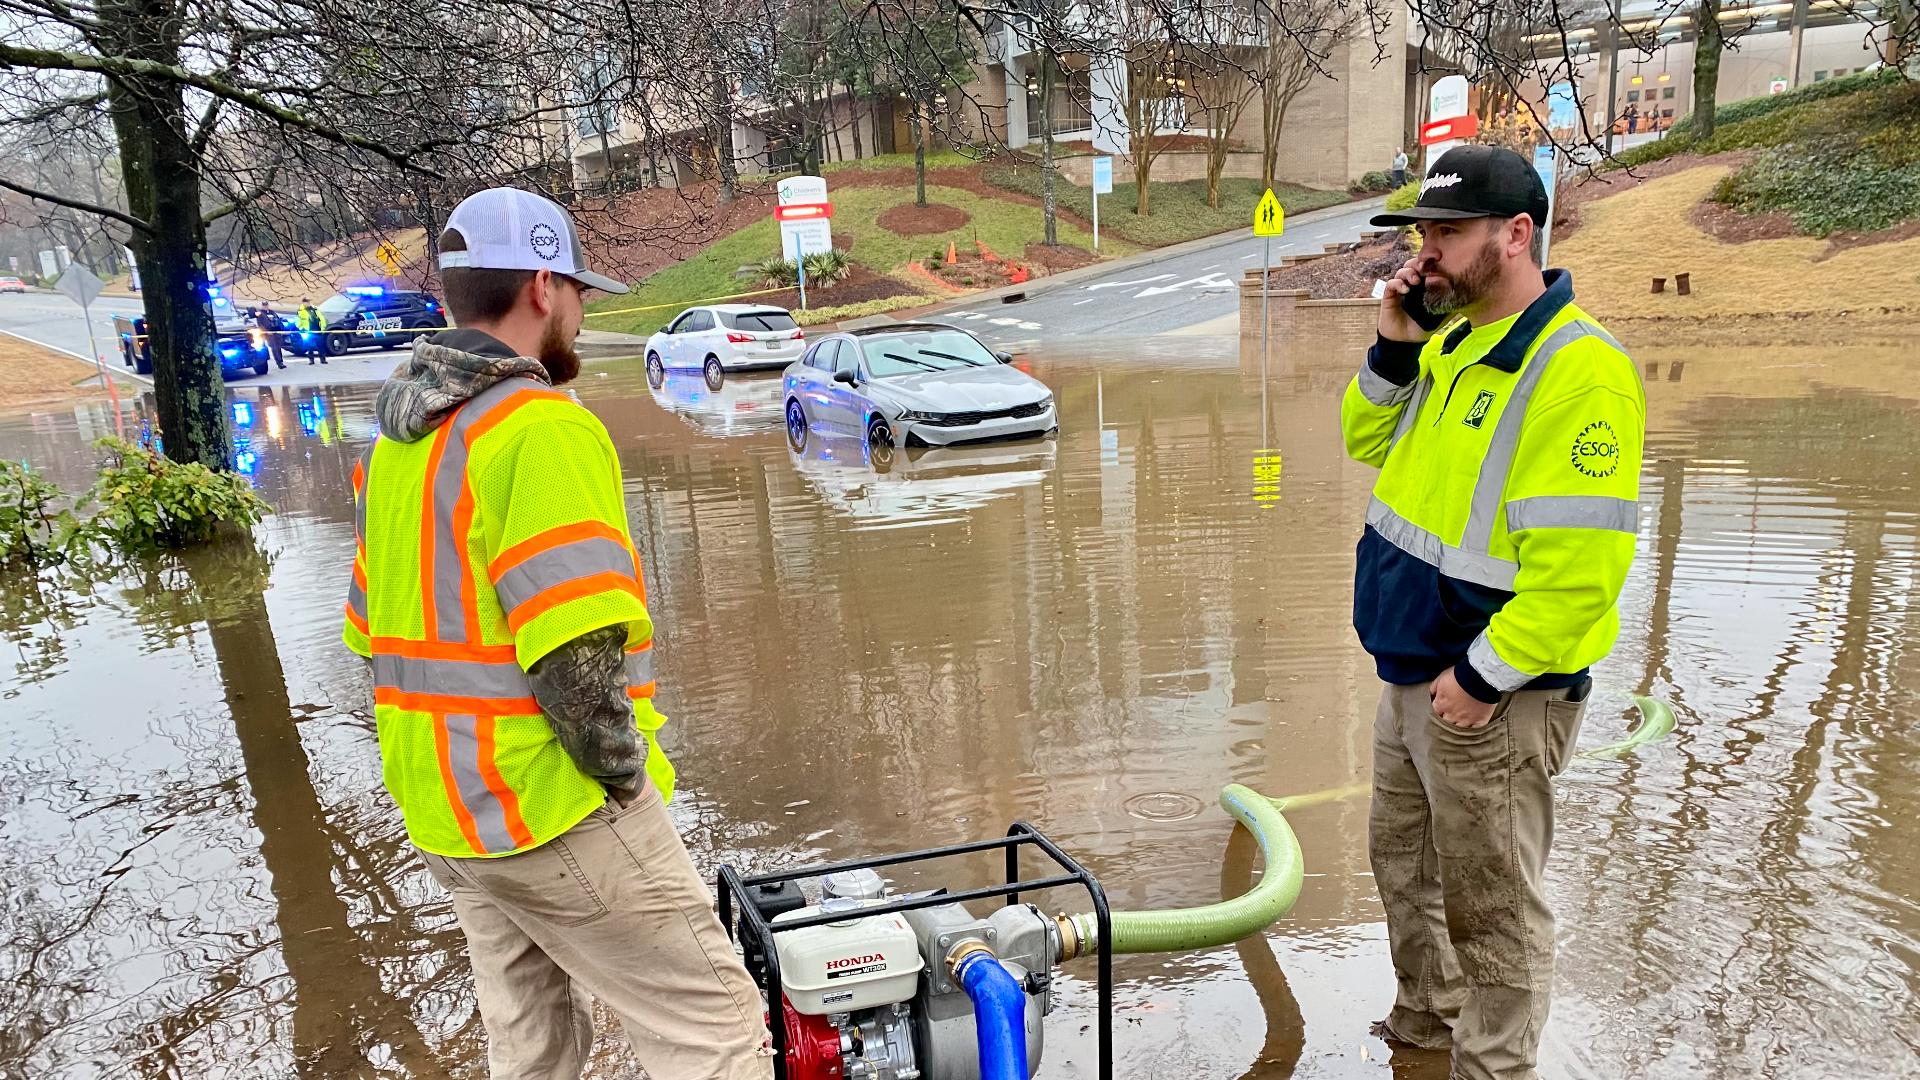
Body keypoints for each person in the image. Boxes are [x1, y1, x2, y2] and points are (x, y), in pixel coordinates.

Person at [343, 187, 771, 1080]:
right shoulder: (538, 429)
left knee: (531, 1044)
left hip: (447, 814)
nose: (579, 311)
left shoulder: (398, 447)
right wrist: (624, 792)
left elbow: (368, 635)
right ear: (542, 288)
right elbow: (575, 666)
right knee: (718, 1023)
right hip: (548, 806)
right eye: (577, 291)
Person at [1342, 145, 1644, 1080]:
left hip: (1492, 696)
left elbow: (1579, 574)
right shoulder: (1453, 341)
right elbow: (1363, 436)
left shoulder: (1578, 373)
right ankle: (1426, 1033)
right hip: (1412, 674)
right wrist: (1395, 339)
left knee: (1495, 913)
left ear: (1516, 235)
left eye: (1446, 232)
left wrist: (1479, 680)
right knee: (1407, 873)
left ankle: (1491, 1072)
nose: (1425, 254)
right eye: (1422, 233)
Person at [295, 296, 328, 364]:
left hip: (318, 330)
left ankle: (323, 359)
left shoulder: (315, 309)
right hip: (308, 330)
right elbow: (297, 321)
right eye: (307, 301)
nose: (309, 303)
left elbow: (321, 318)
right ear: (303, 302)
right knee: (310, 347)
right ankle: (311, 360)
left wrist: (323, 327)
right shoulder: (300, 311)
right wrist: (301, 328)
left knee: (321, 346)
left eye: (309, 301)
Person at [255, 301, 287, 369]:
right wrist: (266, 331)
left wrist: (281, 329)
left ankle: (281, 361)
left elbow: (278, 321)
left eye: (266, 305)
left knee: (278, 347)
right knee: (274, 348)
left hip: (276, 331)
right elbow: (260, 324)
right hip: (269, 333)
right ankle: (279, 363)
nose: (265, 306)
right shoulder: (260, 313)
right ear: (262, 306)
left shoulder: (273, 312)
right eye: (264, 305)